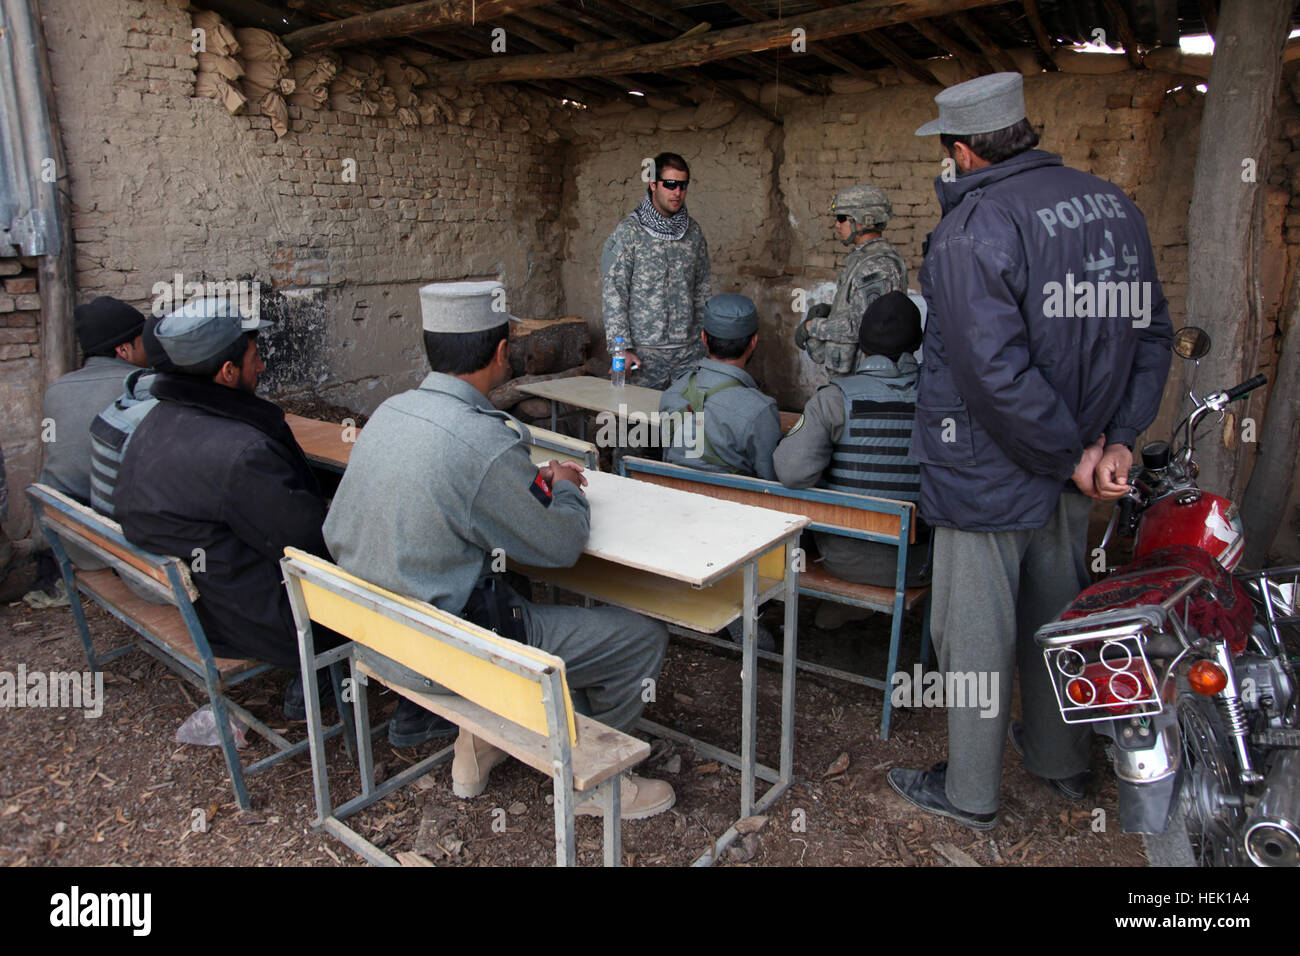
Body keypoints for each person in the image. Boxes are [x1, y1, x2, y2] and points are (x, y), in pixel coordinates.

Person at [886, 72, 1173, 830]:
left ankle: (970, 793)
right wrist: (1114, 442)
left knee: (972, 631)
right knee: (1056, 610)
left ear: (963, 152)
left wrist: (1069, 451)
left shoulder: (975, 227)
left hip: (988, 467)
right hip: (1073, 468)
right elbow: (1150, 334)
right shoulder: (1113, 206)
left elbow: (994, 374)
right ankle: (1062, 762)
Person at [323, 280, 675, 819]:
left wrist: (526, 484)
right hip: (446, 654)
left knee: (505, 582)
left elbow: (344, 527)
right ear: (500, 352)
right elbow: (559, 547)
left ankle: (478, 746)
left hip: (376, 638)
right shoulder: (483, 439)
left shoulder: (388, 413)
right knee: (641, 638)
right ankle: (597, 783)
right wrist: (559, 487)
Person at [113, 298, 344, 719]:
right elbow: (315, 544)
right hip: (252, 620)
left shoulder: (154, 423)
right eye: (255, 357)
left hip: (201, 596)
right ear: (228, 371)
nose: (261, 367)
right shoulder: (242, 453)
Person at [774, 291, 929, 598]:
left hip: (845, 557)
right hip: (922, 562)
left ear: (862, 343)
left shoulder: (833, 399)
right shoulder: (943, 400)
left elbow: (792, 473)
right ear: (918, 343)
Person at [601, 151, 711, 389]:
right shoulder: (629, 232)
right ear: (653, 184)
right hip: (642, 358)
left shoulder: (693, 233)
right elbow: (614, 293)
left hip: (688, 355)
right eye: (670, 184)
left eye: (683, 185)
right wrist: (620, 350)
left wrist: (706, 345)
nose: (677, 192)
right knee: (635, 423)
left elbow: (702, 290)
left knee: (689, 423)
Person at [40, 297, 150, 507]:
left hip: (56, 509)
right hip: (106, 519)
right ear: (124, 350)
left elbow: (52, 443)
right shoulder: (141, 387)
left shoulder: (55, 390)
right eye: (143, 340)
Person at [658, 293, 782, 480]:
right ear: (754, 342)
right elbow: (771, 481)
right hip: (733, 506)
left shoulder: (672, 394)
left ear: (704, 339)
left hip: (676, 499)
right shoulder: (760, 410)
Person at [795, 185, 907, 385]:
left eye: (841, 218)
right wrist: (832, 311)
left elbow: (865, 328)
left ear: (864, 220)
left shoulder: (875, 267)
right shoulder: (864, 259)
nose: (837, 225)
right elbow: (862, 310)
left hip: (861, 379)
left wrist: (813, 326)